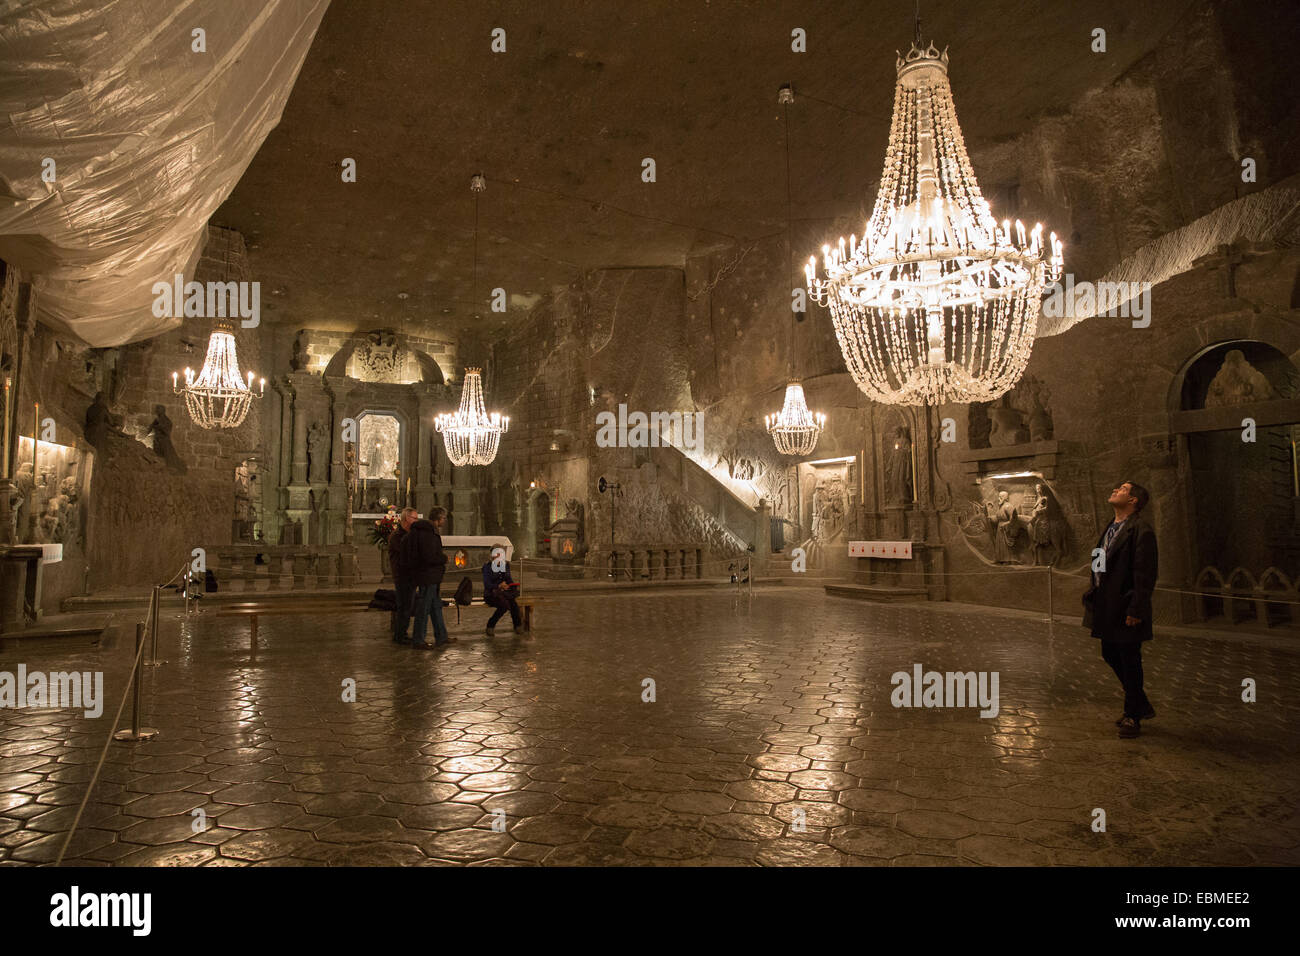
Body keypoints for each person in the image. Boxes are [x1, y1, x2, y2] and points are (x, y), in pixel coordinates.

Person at [1082, 481, 1158, 739]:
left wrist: (1137, 607)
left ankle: (1132, 716)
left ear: (1134, 500)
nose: (1115, 490)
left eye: (1123, 489)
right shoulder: (1111, 527)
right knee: (1109, 652)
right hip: (1106, 602)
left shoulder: (1140, 530)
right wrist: (1094, 585)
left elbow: (1144, 573)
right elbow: (1101, 559)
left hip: (1125, 604)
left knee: (1129, 658)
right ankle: (1140, 702)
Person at [401, 506, 454, 649]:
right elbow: (428, 556)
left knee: (435, 607)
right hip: (427, 575)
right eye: (443, 518)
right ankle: (418, 639)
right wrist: (444, 558)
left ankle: (441, 636)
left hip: (431, 576)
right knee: (423, 609)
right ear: (438, 518)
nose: (444, 521)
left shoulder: (424, 531)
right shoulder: (427, 533)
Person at [387, 507, 418, 644]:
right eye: (414, 518)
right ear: (406, 519)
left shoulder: (408, 534)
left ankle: (402, 633)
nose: (416, 521)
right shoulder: (397, 536)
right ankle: (399, 636)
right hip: (402, 576)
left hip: (409, 575)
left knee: (407, 606)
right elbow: (406, 553)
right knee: (404, 607)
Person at [482, 545, 522, 636]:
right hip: (492, 594)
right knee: (504, 606)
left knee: (513, 603)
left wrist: (509, 585)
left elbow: (509, 579)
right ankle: (490, 625)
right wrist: (499, 585)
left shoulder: (505, 565)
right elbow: (487, 584)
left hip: (504, 593)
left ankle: (517, 625)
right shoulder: (487, 566)